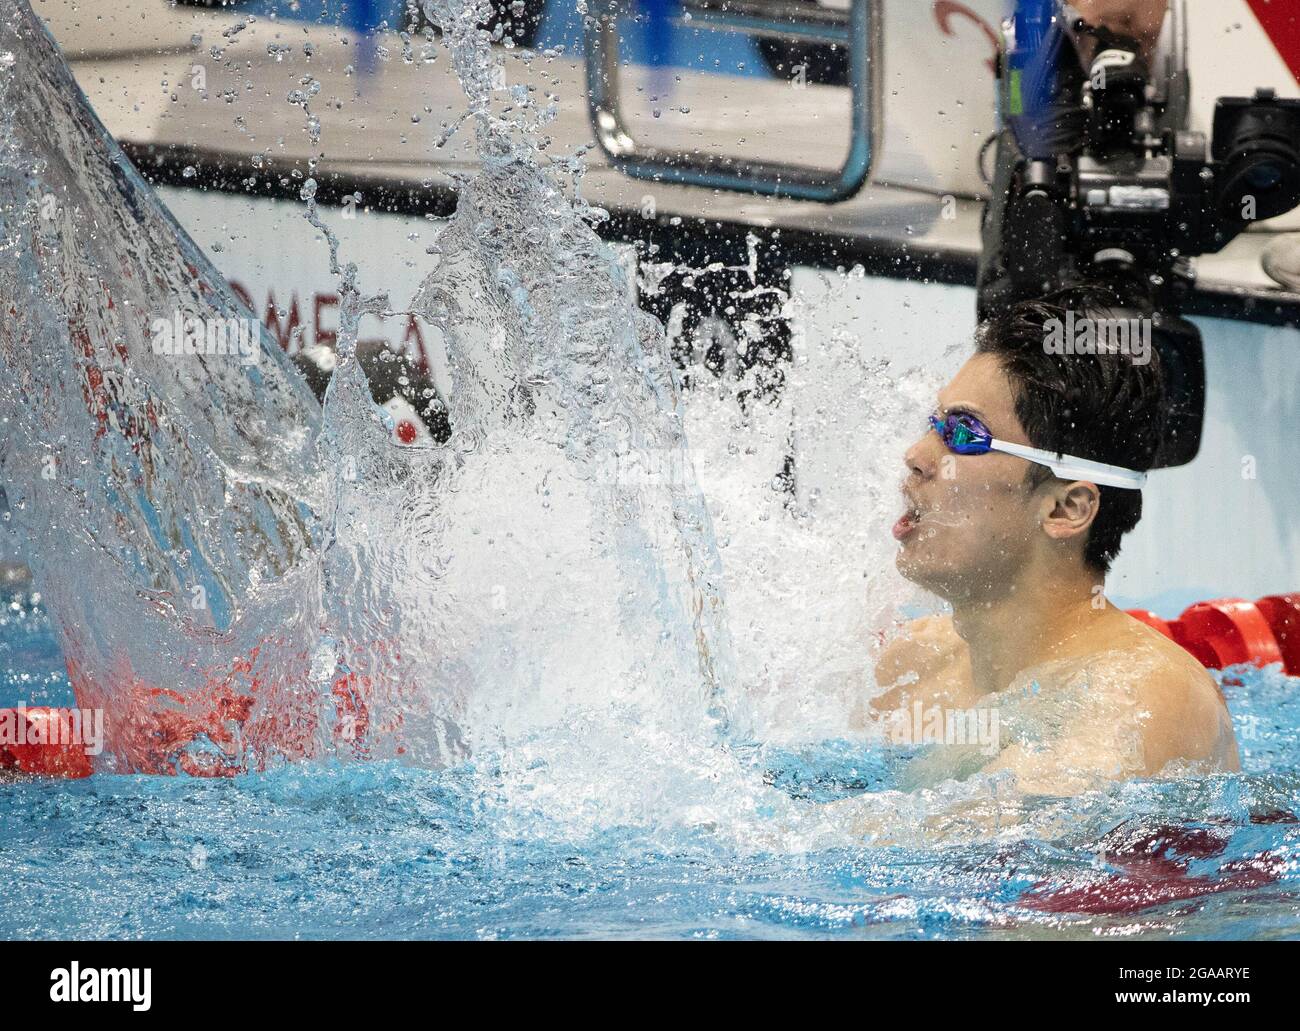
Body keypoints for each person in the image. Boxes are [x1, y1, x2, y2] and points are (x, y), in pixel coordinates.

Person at [864, 287, 1239, 798]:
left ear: (1066, 509)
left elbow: (972, 851)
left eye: (963, 433)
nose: (916, 455)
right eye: (933, 424)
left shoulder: (1145, 695)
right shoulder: (914, 661)